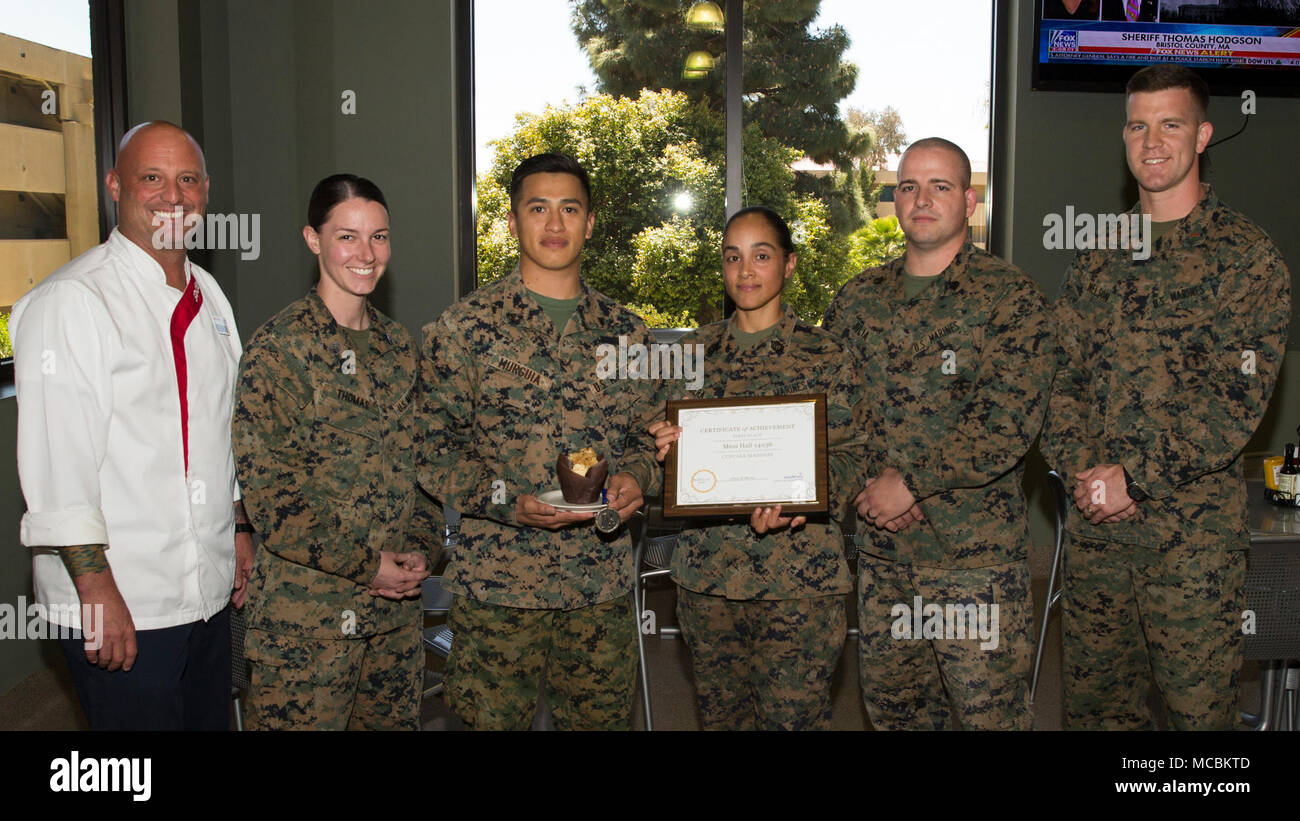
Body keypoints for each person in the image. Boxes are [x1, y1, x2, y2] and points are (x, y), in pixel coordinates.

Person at [1041, 64, 1290, 730]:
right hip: (1098, 543)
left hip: (1192, 553)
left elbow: (1235, 399)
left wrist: (1135, 479)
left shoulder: (1247, 259)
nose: (1152, 141)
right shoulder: (1097, 253)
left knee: (1195, 727)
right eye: (1137, 124)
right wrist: (1087, 474)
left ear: (1203, 134)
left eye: (1170, 124)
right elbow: (1059, 378)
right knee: (1096, 716)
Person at [11, 121, 251, 730]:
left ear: (205, 192)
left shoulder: (211, 296)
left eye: (187, 179)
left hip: (204, 590)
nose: (173, 196)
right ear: (115, 185)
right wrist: (97, 593)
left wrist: (239, 525)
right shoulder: (74, 300)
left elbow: (220, 432)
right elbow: (58, 465)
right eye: (153, 178)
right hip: (125, 601)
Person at [419, 152, 661, 730]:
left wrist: (637, 478)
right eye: (538, 208)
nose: (554, 225)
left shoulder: (627, 333)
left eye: (569, 209)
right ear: (511, 221)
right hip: (499, 584)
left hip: (596, 584)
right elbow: (432, 450)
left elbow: (648, 438)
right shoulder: (463, 329)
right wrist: (508, 502)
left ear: (590, 223)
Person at [821, 138, 1056, 730]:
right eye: (908, 186)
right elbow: (834, 416)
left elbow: (1006, 420)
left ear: (969, 202)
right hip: (883, 556)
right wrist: (872, 491)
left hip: (972, 563)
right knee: (898, 716)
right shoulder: (855, 301)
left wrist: (912, 484)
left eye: (940, 186)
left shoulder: (1012, 298)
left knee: (990, 718)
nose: (921, 199)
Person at [647, 206, 866, 730]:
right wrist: (662, 447)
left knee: (795, 721)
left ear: (788, 265)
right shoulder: (689, 354)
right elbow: (660, 462)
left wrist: (803, 503)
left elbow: (858, 455)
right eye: (732, 257)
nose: (745, 271)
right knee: (722, 720)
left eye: (761, 256)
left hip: (801, 581)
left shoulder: (828, 356)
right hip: (709, 579)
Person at [233, 174, 437, 730]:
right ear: (312, 239)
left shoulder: (400, 349)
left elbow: (420, 472)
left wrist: (421, 549)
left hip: (394, 619)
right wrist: (367, 564)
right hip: (309, 623)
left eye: (379, 237)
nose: (366, 254)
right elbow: (273, 503)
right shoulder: (279, 350)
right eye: (347, 236)